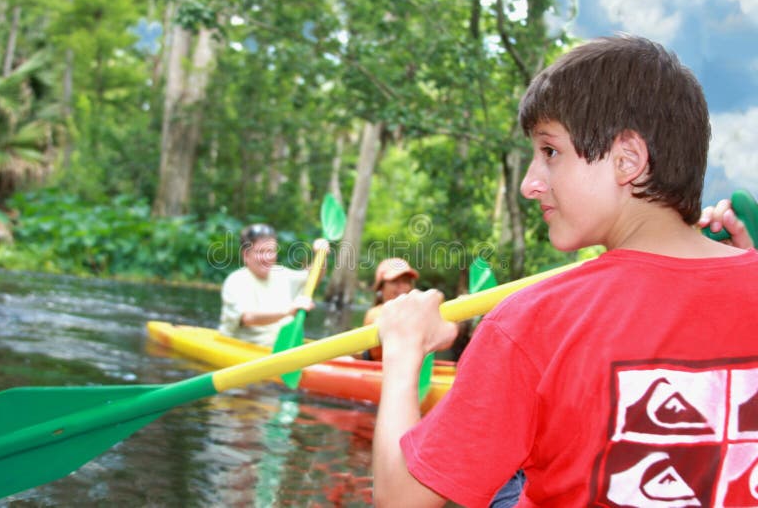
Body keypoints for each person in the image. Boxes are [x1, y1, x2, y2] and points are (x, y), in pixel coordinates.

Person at [371, 35, 758, 507]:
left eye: (550, 151)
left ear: (627, 160)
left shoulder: (530, 322)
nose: (530, 185)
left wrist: (402, 351)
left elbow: (401, 502)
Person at [219, 223, 328, 348]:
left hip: (284, 348)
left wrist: (321, 255)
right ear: (246, 255)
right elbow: (247, 318)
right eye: (261, 252)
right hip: (247, 349)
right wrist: (288, 311)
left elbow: (313, 278)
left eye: (271, 251)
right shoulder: (236, 281)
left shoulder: (281, 274)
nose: (267, 257)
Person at [360, 257, 420, 360]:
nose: (401, 287)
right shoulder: (375, 314)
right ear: (381, 287)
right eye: (394, 281)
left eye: (406, 281)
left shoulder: (416, 312)